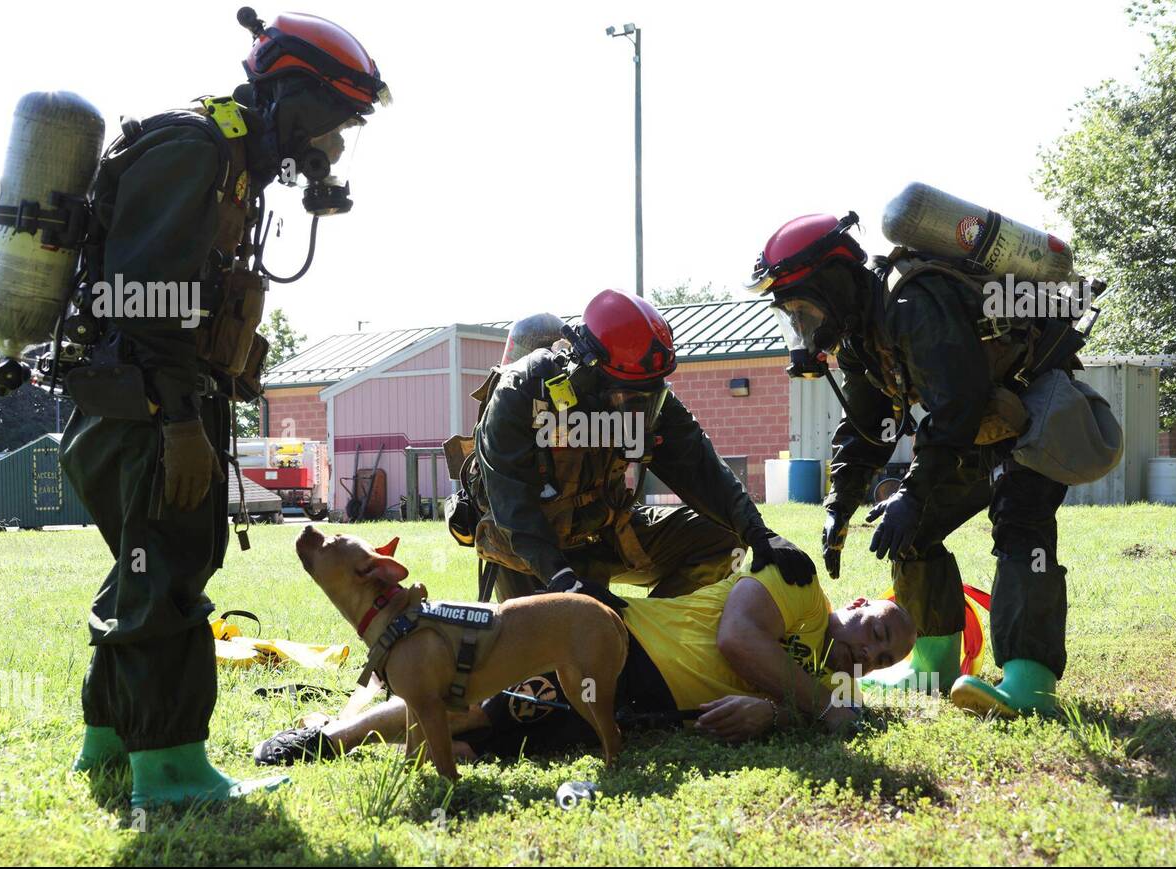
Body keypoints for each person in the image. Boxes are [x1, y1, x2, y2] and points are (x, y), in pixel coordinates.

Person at [60, 9, 391, 808]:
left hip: (165, 400)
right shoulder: (194, 148)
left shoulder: (229, 159)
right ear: (295, 97)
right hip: (147, 410)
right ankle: (169, 771)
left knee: (149, 570)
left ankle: (109, 744)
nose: (337, 142)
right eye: (336, 120)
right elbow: (140, 297)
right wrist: (178, 422)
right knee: (166, 576)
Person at [746, 212, 1084, 717]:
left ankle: (1030, 684)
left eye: (802, 307)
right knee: (910, 530)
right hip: (976, 428)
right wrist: (840, 503)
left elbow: (958, 403)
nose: (801, 324)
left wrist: (912, 491)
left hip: (1034, 414)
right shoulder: (862, 334)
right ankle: (934, 661)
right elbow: (868, 422)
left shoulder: (912, 302)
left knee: (1022, 529)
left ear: (832, 286)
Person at [252, 562, 916, 765]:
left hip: (643, 708)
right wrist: (812, 706)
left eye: (882, 658)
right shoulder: (798, 582)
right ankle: (326, 740)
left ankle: (453, 748)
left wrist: (774, 710)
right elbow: (739, 641)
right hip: (611, 637)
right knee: (485, 695)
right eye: (876, 628)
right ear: (858, 602)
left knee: (517, 738)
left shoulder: (829, 685)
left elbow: (802, 706)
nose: (870, 649)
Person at [459, 288, 816, 608]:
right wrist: (564, 582)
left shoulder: (644, 392)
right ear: (588, 373)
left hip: (603, 532)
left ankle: (647, 633)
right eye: (626, 397)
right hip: (527, 549)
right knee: (556, 662)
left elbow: (701, 468)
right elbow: (512, 507)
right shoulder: (520, 393)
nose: (637, 410)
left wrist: (759, 533)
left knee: (722, 538)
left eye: (649, 397)